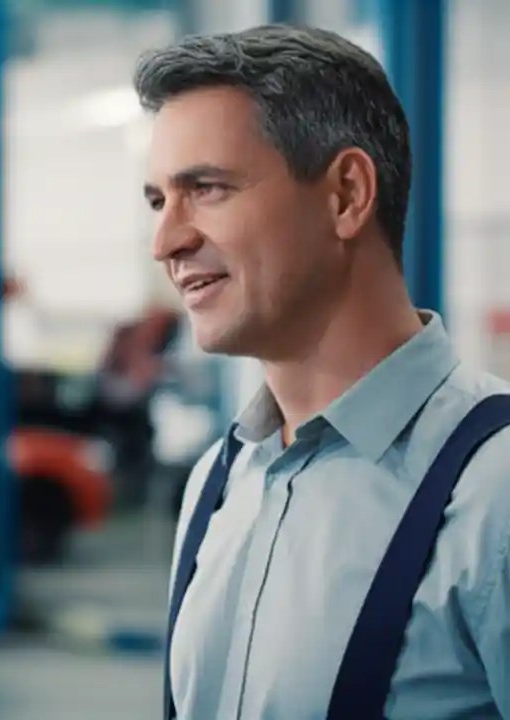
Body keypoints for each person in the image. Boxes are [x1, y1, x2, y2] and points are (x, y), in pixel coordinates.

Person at [138, 24, 510, 720]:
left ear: (345, 195)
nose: (166, 241)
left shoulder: (495, 493)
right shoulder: (217, 485)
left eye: (207, 188)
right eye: (159, 200)